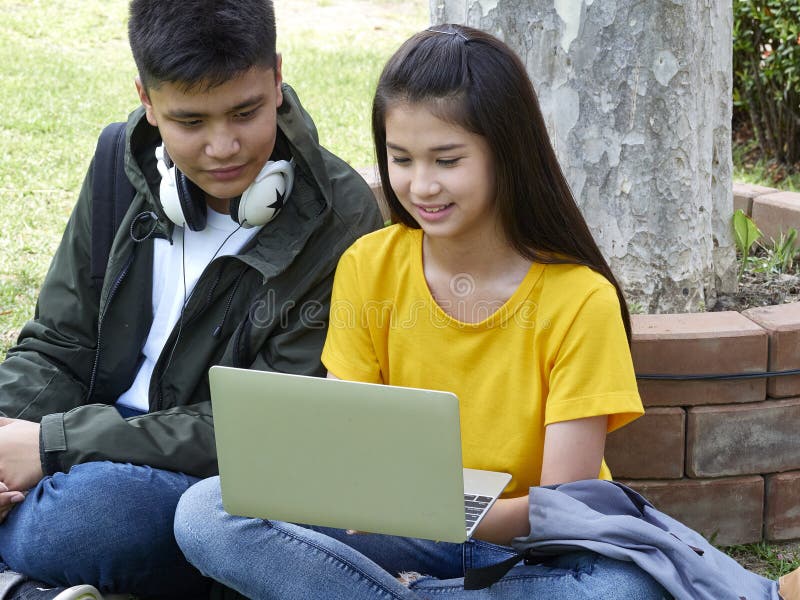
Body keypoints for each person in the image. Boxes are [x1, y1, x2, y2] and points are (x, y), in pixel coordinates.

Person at [173, 24, 671, 599]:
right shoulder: (370, 264)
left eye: (447, 159)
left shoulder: (579, 299)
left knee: (618, 591)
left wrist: (438, 508)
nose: (421, 185)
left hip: (530, 550)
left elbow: (564, 510)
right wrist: (353, 492)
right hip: (396, 531)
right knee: (207, 510)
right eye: (401, 158)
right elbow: (347, 442)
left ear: (507, 154)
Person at [0, 0, 382, 599]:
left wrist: (56, 447)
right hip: (80, 448)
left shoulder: (339, 219)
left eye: (245, 111)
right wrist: (4, 432)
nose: (223, 146)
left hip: (195, 481)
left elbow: (268, 428)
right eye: (190, 122)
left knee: (82, 522)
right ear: (147, 101)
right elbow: (58, 342)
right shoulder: (116, 165)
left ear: (278, 77)